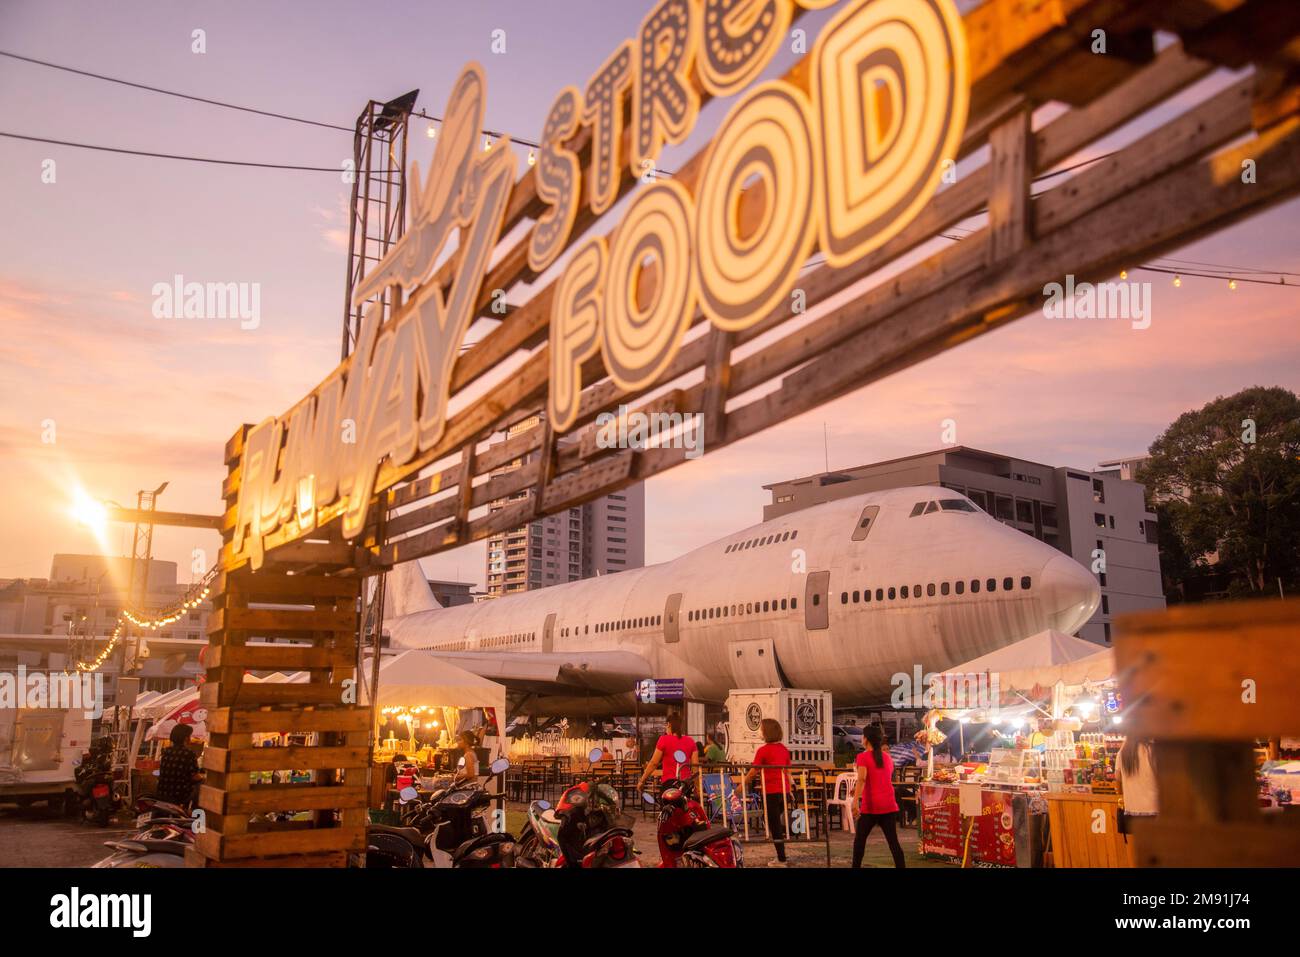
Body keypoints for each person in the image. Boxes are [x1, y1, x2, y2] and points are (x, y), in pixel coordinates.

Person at [852, 724, 906, 868]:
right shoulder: (888, 758)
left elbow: (862, 779)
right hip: (889, 805)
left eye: (862, 736)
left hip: (871, 806)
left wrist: (855, 801)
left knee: (859, 842)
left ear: (866, 739)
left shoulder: (862, 757)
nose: (861, 739)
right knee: (893, 843)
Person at [743, 718, 793, 867]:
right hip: (784, 791)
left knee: (774, 824)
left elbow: (753, 771)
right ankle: (781, 852)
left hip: (771, 791)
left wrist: (740, 787)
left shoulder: (763, 750)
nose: (759, 732)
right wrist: (792, 787)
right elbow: (787, 770)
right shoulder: (783, 749)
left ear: (767, 732)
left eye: (761, 729)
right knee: (774, 822)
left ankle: (782, 858)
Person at [637, 712, 696, 790]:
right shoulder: (691, 741)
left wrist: (642, 780)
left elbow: (654, 763)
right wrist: (697, 788)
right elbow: (696, 767)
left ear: (668, 724)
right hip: (686, 784)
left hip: (670, 784)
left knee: (663, 801)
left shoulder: (664, 739)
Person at [156, 723, 202, 809]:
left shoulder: (166, 751)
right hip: (180, 794)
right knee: (202, 785)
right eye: (189, 736)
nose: (190, 738)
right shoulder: (188, 754)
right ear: (186, 738)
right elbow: (195, 777)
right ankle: (194, 812)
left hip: (162, 792)